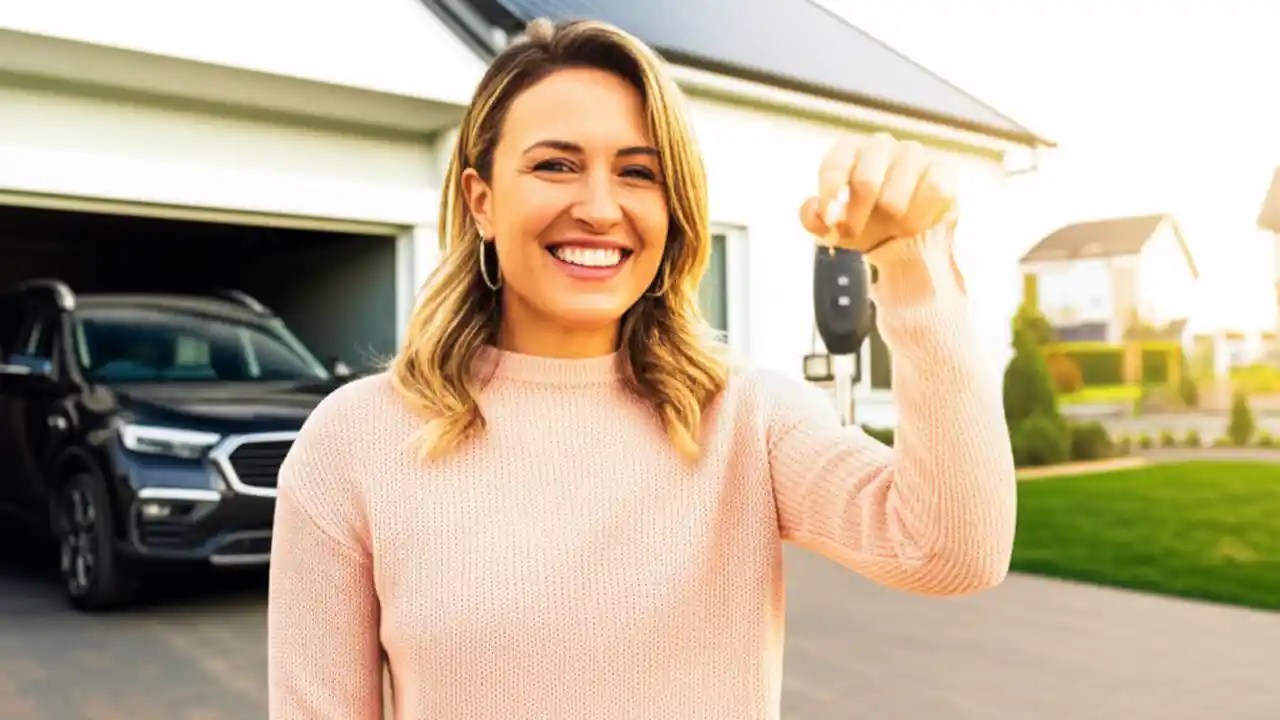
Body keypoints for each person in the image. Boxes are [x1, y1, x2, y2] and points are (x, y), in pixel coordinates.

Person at [267, 16, 1016, 720]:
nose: (600, 208)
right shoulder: (355, 441)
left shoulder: (745, 420)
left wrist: (910, 262)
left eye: (637, 172)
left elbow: (952, 550)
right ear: (481, 200)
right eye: (556, 164)